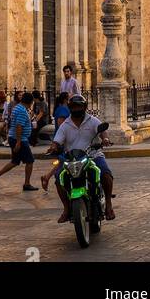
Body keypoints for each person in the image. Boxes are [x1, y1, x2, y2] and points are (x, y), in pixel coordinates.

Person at [46, 93, 115, 222]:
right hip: (72, 159)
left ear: (84, 107)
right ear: (70, 108)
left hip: (92, 156)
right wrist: (53, 147)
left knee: (105, 174)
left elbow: (102, 131)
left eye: (79, 107)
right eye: (74, 107)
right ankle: (66, 209)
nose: (76, 109)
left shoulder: (92, 120)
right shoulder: (65, 125)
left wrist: (105, 139)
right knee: (59, 178)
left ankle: (109, 205)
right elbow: (57, 141)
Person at [0, 90, 37, 192]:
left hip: (14, 138)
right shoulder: (21, 110)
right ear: (30, 102)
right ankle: (27, 184)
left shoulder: (18, 108)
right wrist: (19, 142)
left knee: (15, 161)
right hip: (19, 139)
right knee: (30, 161)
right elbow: (19, 126)